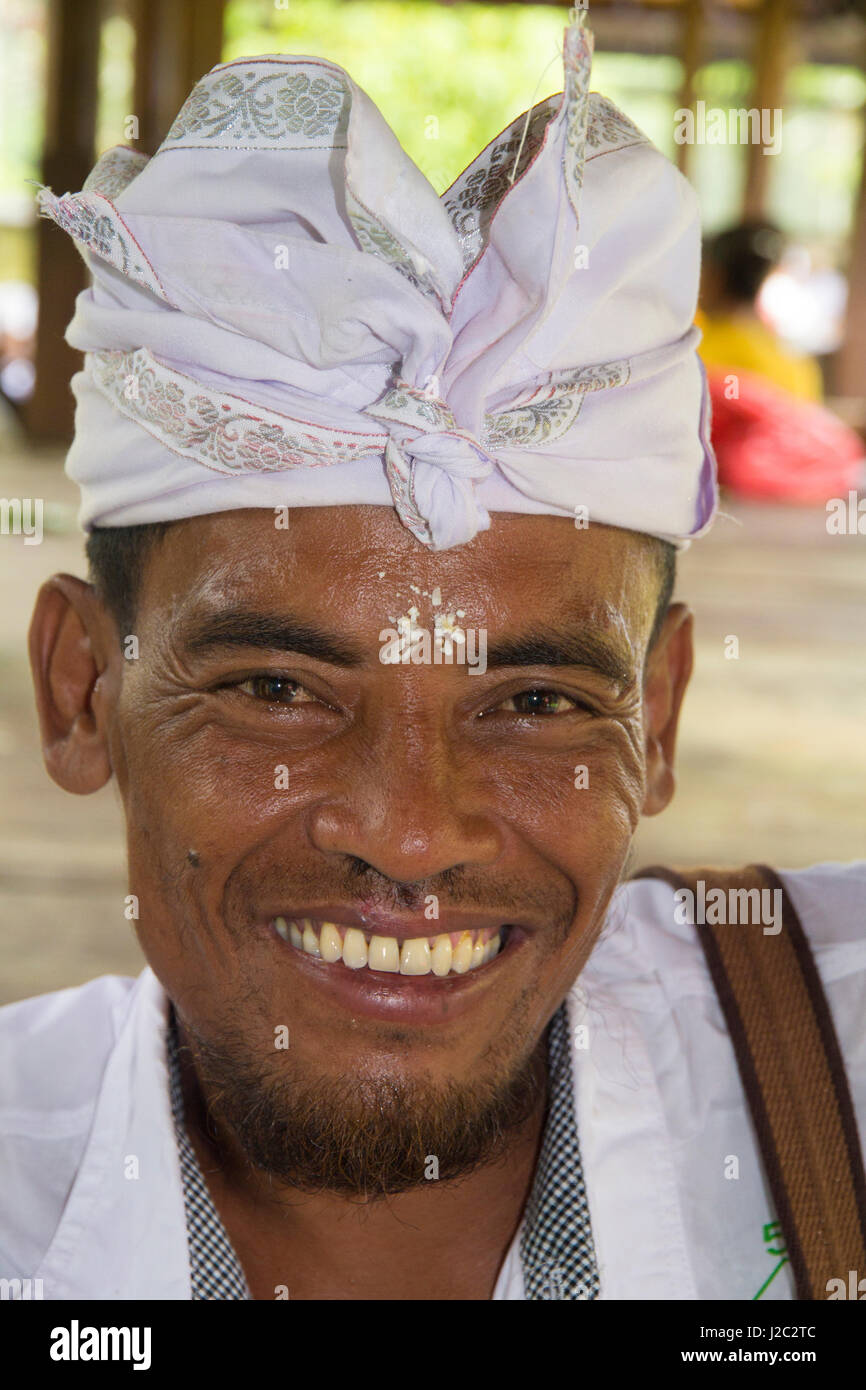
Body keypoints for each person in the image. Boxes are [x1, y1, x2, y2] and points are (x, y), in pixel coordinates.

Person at [2, 12, 864, 1301]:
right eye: (277, 691)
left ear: (659, 722)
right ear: (83, 689)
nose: (411, 836)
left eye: (534, 701)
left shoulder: (836, 1052)